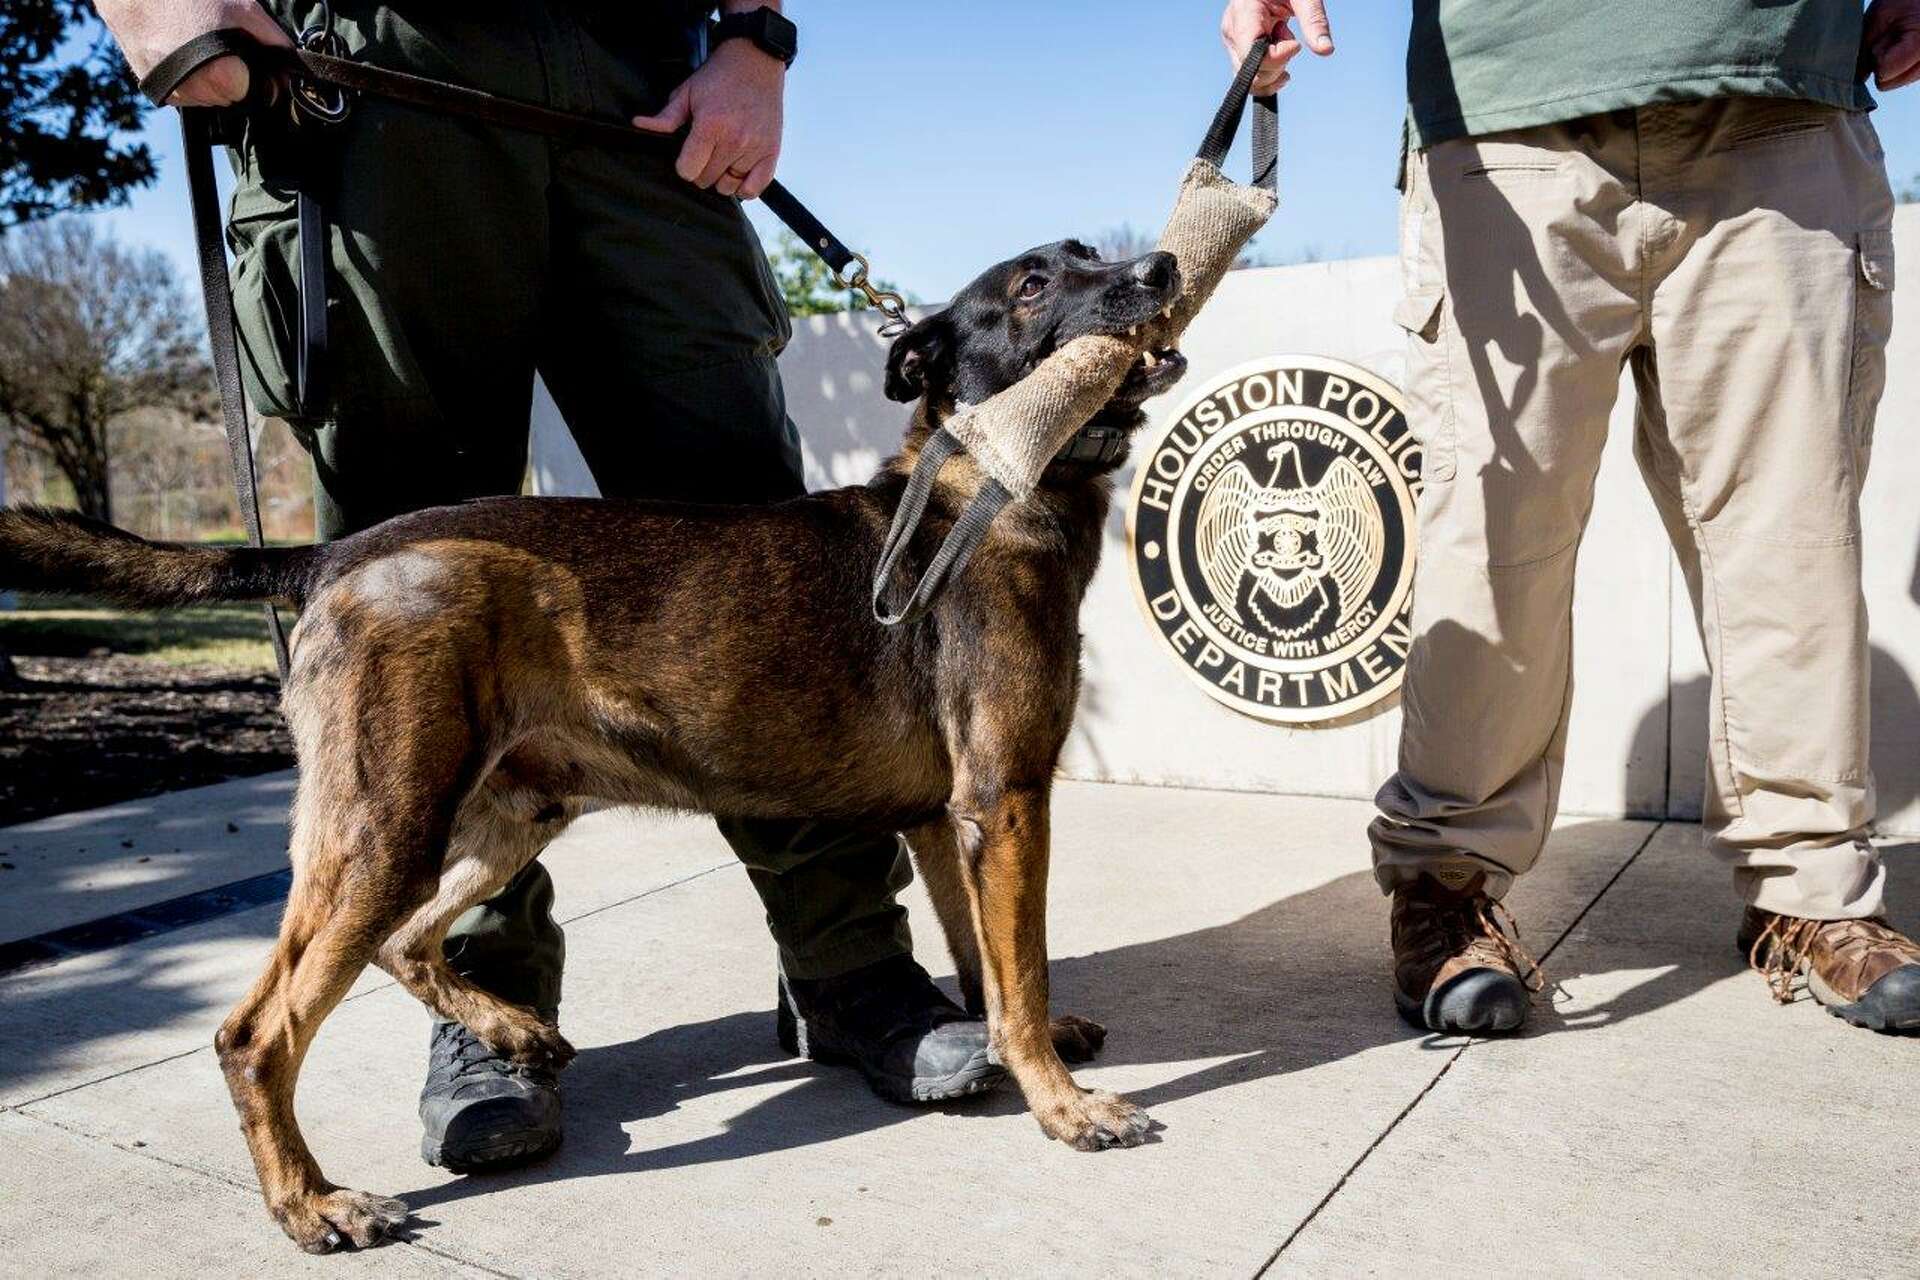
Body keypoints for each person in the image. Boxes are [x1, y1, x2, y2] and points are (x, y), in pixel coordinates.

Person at [95, 0, 1002, 1172]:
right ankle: (477, 999)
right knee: (413, 598)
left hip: (642, 94)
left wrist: (755, 42)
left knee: (768, 575)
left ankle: (848, 960)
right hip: (372, 85)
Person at [1223, 0, 1920, 1034]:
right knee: (1493, 544)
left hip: (1778, 95)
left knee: (1791, 541)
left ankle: (1811, 892)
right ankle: (1442, 888)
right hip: (1507, 105)